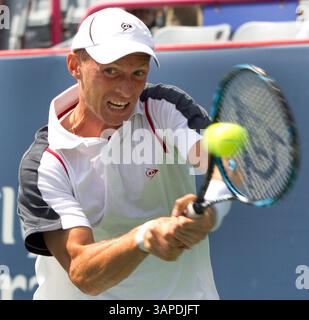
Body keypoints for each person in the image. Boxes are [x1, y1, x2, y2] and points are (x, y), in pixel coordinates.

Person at [17, 7, 232, 300]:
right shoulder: (45, 163)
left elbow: (223, 164)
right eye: (110, 71)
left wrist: (210, 210)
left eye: (138, 74)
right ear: (74, 65)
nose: (126, 90)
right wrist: (142, 238)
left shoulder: (164, 108)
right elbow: (83, 272)